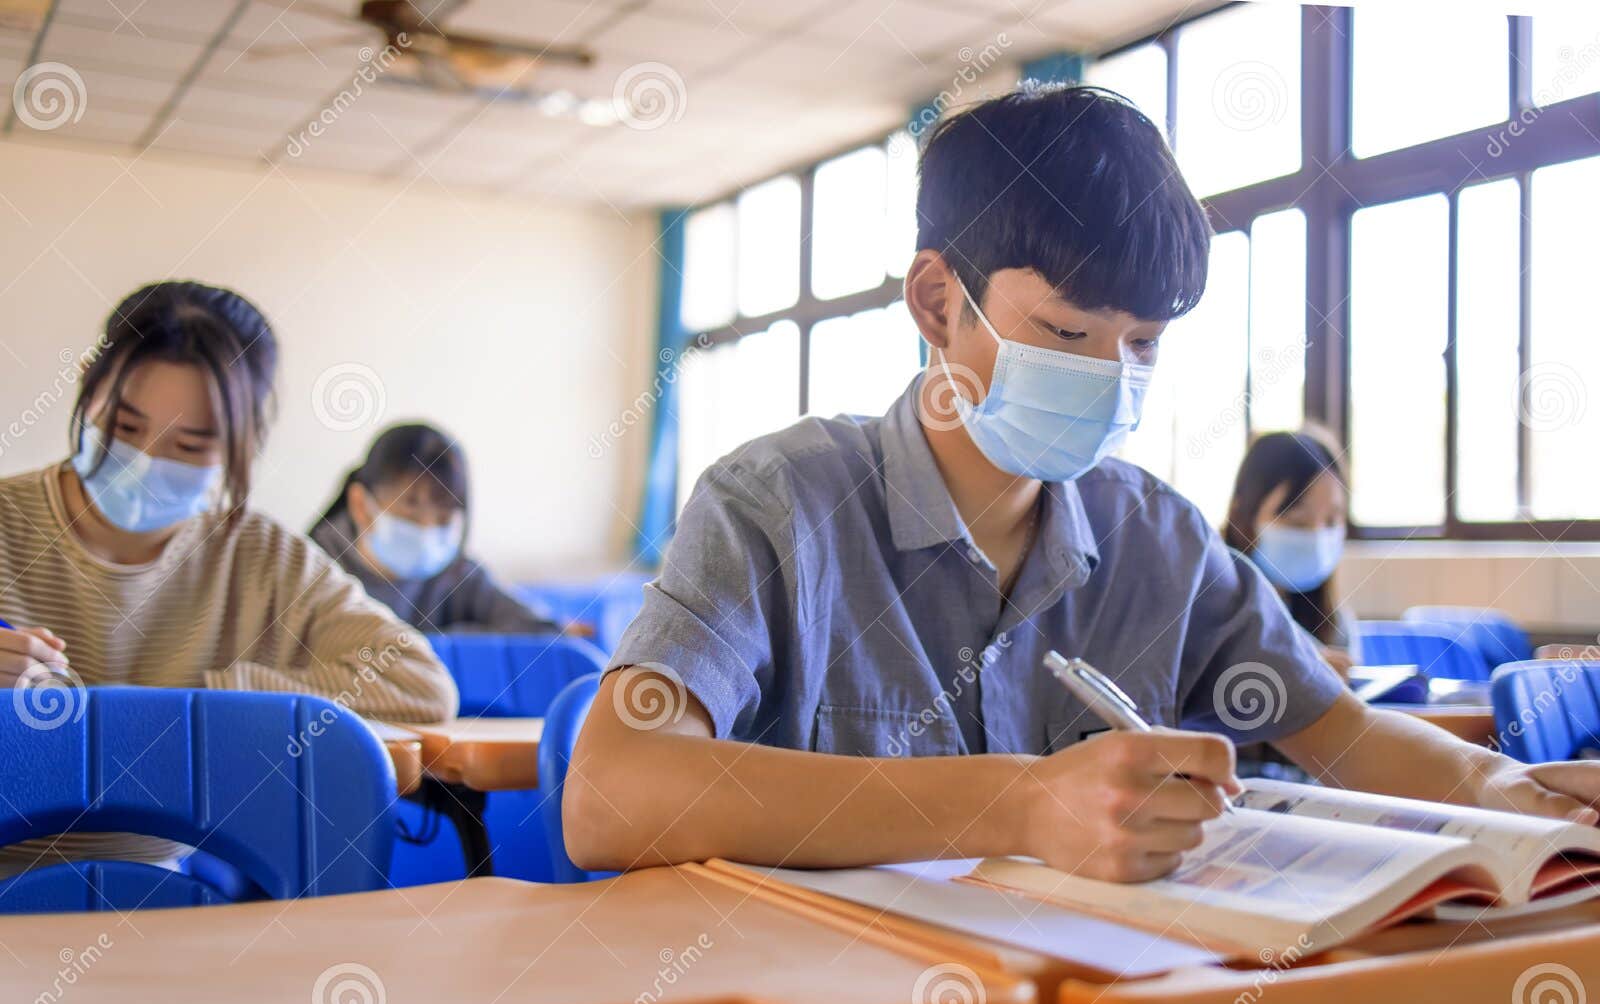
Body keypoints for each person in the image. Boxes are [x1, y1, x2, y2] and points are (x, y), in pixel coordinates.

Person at [565, 84, 1600, 883]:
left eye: (1142, 343)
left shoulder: (1161, 541)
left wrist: (1511, 788)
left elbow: (1345, 733)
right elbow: (612, 792)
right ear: (937, 300)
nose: (1111, 377)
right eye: (1066, 334)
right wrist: (1019, 804)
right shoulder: (778, 502)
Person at [0, 281, 458, 877]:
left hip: (161, 900)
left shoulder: (259, 557)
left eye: (190, 445)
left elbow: (419, 683)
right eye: (124, 426)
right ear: (89, 387)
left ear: (243, 443)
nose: (144, 461)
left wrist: (217, 698)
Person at [310, 423, 562, 636]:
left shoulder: (457, 575)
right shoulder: (312, 570)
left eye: (442, 519)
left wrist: (558, 633)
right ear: (360, 505)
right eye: (411, 512)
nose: (427, 531)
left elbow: (534, 629)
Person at [1224, 428, 1359, 678]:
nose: (1317, 537)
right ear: (1242, 517)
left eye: (1331, 521)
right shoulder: (1209, 611)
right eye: (1297, 522)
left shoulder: (1335, 625)